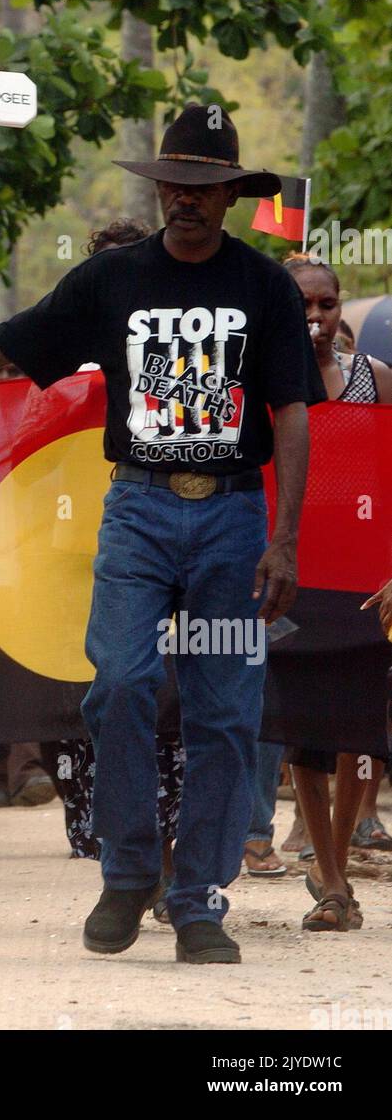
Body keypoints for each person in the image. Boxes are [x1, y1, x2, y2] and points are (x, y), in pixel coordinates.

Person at [0, 105, 325, 965]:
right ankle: (126, 872)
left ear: (230, 194)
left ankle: (196, 900)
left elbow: (292, 415)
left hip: (232, 519)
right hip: (138, 513)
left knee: (223, 713)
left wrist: (285, 537)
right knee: (116, 685)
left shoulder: (262, 285)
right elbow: (9, 346)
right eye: (171, 186)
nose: (183, 202)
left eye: (200, 188)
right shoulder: (113, 279)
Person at [259, 254, 392, 930]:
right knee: (303, 728)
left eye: (326, 304)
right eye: (301, 305)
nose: (314, 318)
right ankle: (334, 879)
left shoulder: (376, 382)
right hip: (291, 577)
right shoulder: (259, 389)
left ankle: (332, 860)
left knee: (361, 729)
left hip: (366, 585)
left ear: (341, 308)